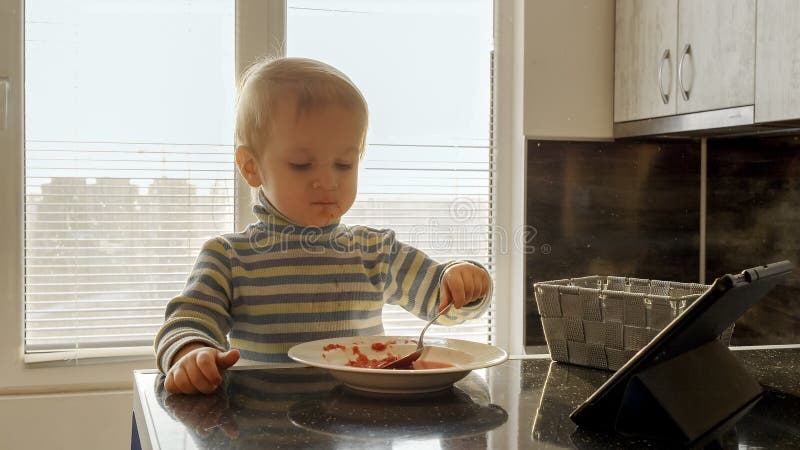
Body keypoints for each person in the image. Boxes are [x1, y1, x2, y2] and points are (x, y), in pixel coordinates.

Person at [154, 57, 493, 394]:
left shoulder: (375, 252)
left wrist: (463, 281)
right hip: (266, 431)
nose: (328, 181)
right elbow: (188, 321)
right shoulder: (228, 258)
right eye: (302, 165)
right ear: (251, 167)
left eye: (344, 164)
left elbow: (440, 301)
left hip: (361, 425)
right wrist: (191, 353)